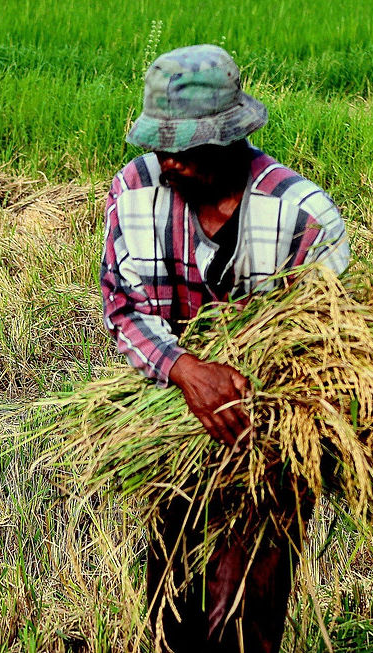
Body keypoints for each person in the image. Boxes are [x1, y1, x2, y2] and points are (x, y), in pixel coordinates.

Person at [100, 44, 349, 653]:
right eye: (158, 145)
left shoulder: (303, 216)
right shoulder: (133, 191)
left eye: (181, 150)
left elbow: (326, 349)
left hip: (270, 439)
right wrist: (185, 370)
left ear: (228, 139)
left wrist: (255, 400)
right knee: (171, 609)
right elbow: (123, 305)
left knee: (242, 619)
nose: (166, 161)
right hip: (172, 427)